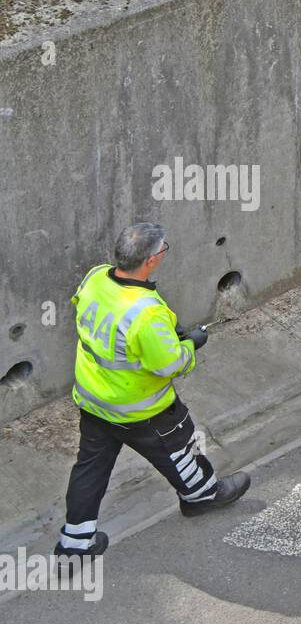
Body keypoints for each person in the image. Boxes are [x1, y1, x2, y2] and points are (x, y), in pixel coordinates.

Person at [58, 223, 250, 557]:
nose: (164, 253)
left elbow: (96, 311)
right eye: (163, 249)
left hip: (95, 403)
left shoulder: (96, 277)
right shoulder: (145, 315)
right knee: (179, 449)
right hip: (142, 411)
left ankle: (75, 543)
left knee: (89, 468)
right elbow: (170, 364)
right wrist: (191, 344)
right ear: (150, 260)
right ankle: (201, 496)